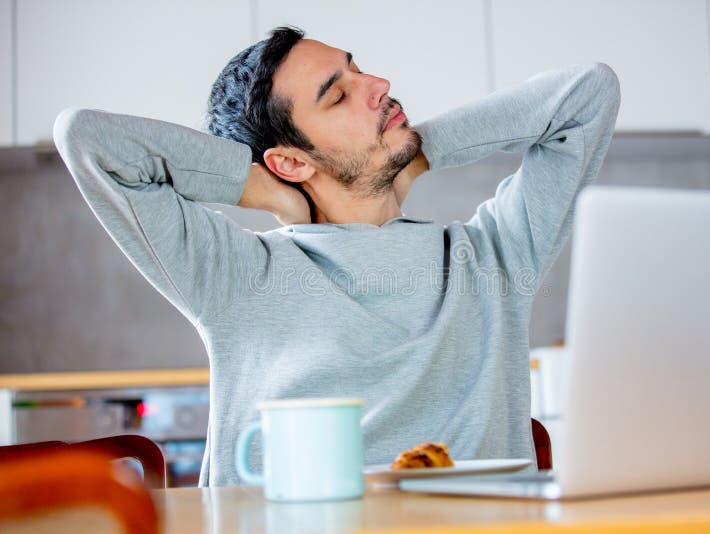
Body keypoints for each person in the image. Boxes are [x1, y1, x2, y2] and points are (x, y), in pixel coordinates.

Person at [52, 25, 620, 487]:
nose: (378, 83)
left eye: (357, 68)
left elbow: (588, 93)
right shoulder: (235, 277)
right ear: (291, 161)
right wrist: (266, 190)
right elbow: (86, 138)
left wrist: (415, 153)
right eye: (339, 94)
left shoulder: (494, 257)